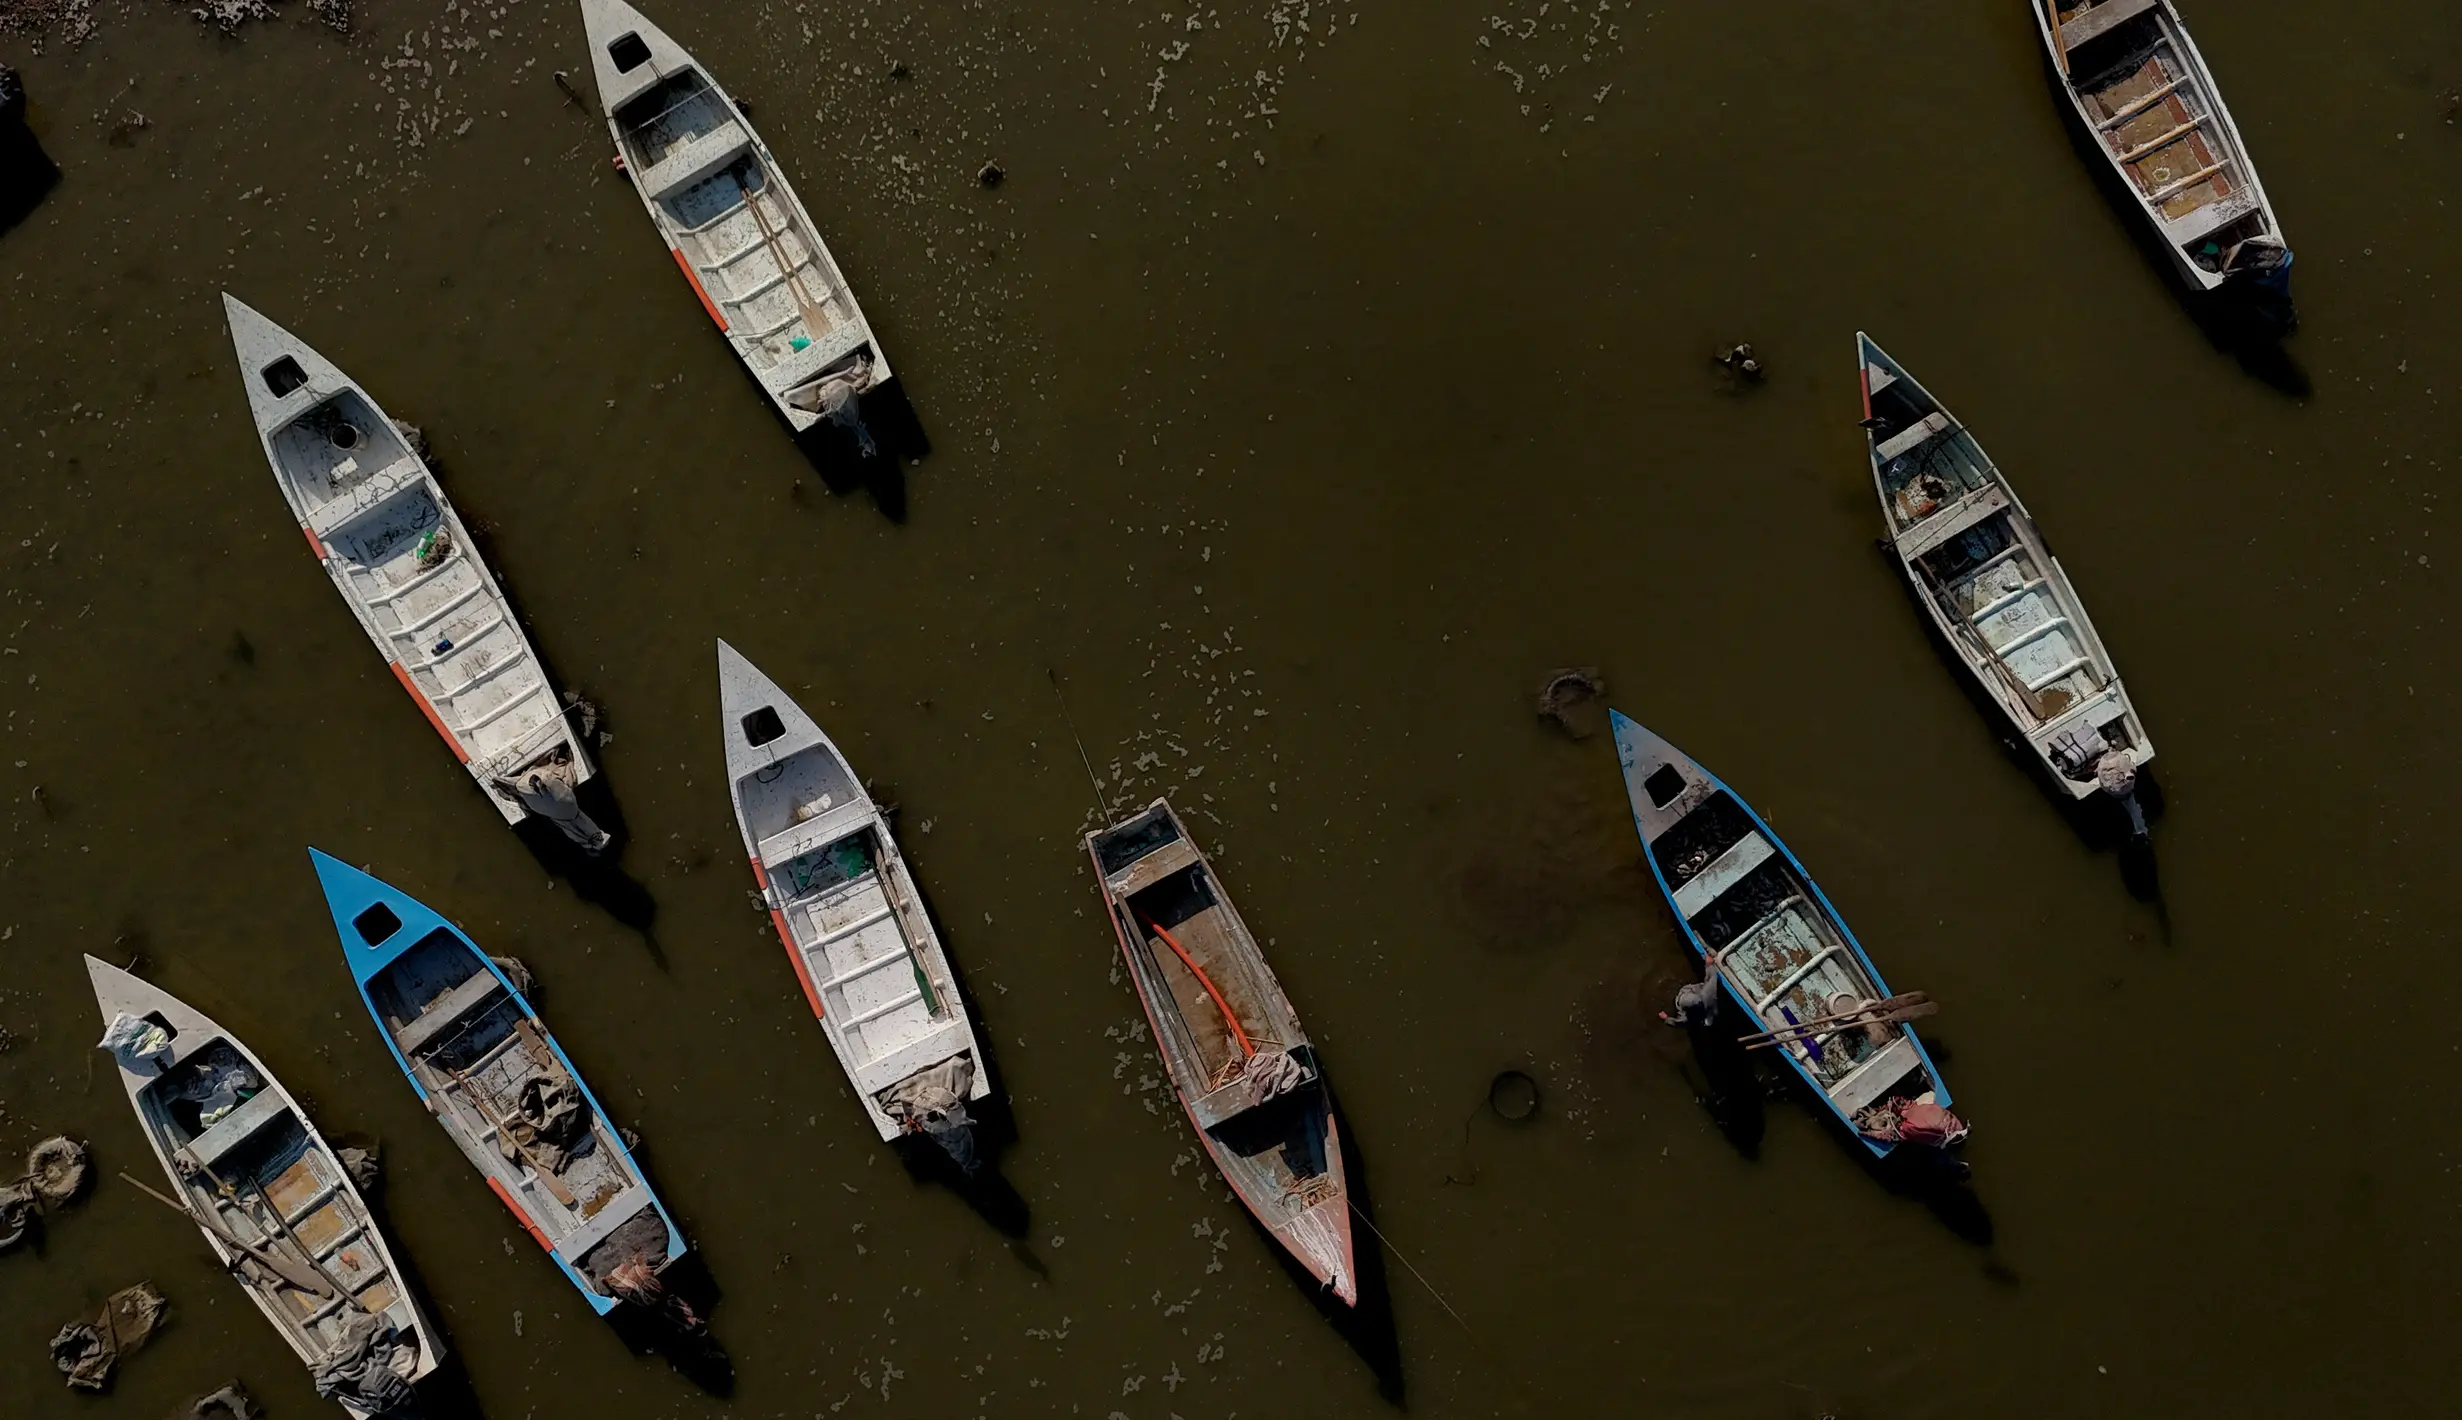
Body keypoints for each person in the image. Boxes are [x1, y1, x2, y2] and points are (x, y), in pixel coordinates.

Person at [1659, 945, 1732, 1028]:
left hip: (1689, 998)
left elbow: (1676, 1023)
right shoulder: (1707, 993)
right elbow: (1711, 977)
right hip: (1703, 998)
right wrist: (1709, 964)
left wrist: (1666, 1018)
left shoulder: (1686, 1018)